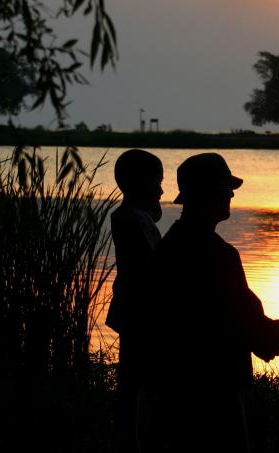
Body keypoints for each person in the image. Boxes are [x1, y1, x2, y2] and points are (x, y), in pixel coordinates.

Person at [140, 153, 279, 452]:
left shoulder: (172, 244)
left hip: (173, 389)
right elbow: (241, 323)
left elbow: (235, 319)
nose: (231, 193)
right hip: (213, 391)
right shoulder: (218, 254)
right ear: (209, 193)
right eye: (226, 187)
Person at [106, 149, 164, 453]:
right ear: (141, 184)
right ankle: (132, 441)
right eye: (157, 183)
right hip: (139, 314)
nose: (162, 190)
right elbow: (149, 269)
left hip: (133, 312)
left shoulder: (135, 216)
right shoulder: (132, 219)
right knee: (137, 384)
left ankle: (131, 438)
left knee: (134, 382)